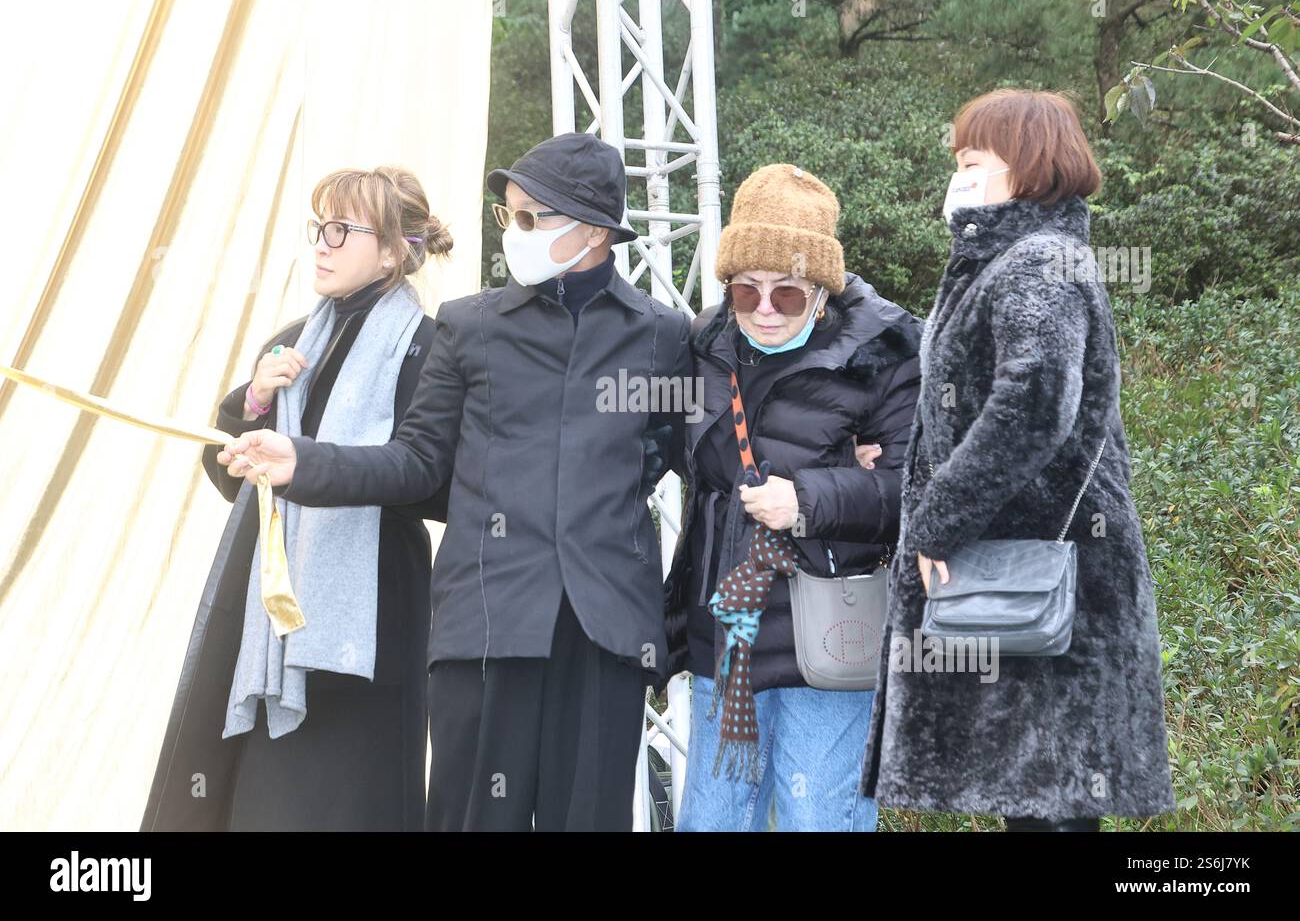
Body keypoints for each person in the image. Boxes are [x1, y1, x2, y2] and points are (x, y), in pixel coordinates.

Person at [219, 132, 694, 831]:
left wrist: (678, 621)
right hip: (485, 627)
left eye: (532, 218)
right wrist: (305, 462)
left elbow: (695, 465)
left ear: (593, 232)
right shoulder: (469, 328)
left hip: (606, 638)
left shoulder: (663, 336)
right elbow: (415, 461)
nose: (514, 233)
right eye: (509, 215)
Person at [858, 89, 1176, 830]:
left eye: (977, 154)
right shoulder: (1008, 258)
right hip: (1026, 574)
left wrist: (938, 522)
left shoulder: (1039, 261)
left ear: (1029, 161)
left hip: (1049, 579)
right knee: (1036, 801)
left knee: (1051, 803)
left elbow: (1032, 410)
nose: (960, 167)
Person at [141, 166, 452, 831]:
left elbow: (430, 478)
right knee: (264, 797)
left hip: (367, 609)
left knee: (345, 793)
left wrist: (305, 463)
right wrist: (253, 401)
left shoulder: (428, 347)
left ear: (395, 250)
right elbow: (230, 476)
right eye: (320, 227)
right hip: (271, 601)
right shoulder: (290, 340)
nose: (323, 243)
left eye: (343, 230)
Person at [659, 164, 922, 831]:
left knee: (818, 816)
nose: (766, 309)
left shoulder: (888, 349)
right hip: (728, 623)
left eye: (788, 294)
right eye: (746, 292)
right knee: (714, 818)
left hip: (831, 629)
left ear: (824, 291)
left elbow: (915, 493)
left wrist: (807, 497)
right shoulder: (705, 341)